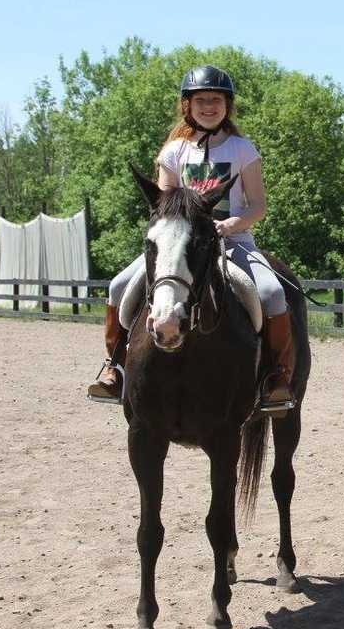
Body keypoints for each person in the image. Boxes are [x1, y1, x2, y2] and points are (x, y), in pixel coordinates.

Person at [87, 65, 295, 414]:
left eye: (216, 100)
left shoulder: (244, 150)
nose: (209, 106)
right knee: (119, 286)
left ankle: (276, 376)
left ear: (227, 105)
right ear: (188, 106)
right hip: (179, 246)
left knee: (273, 293)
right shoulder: (173, 152)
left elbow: (258, 205)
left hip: (234, 241)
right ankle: (114, 368)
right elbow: (162, 204)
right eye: (201, 100)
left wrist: (230, 225)